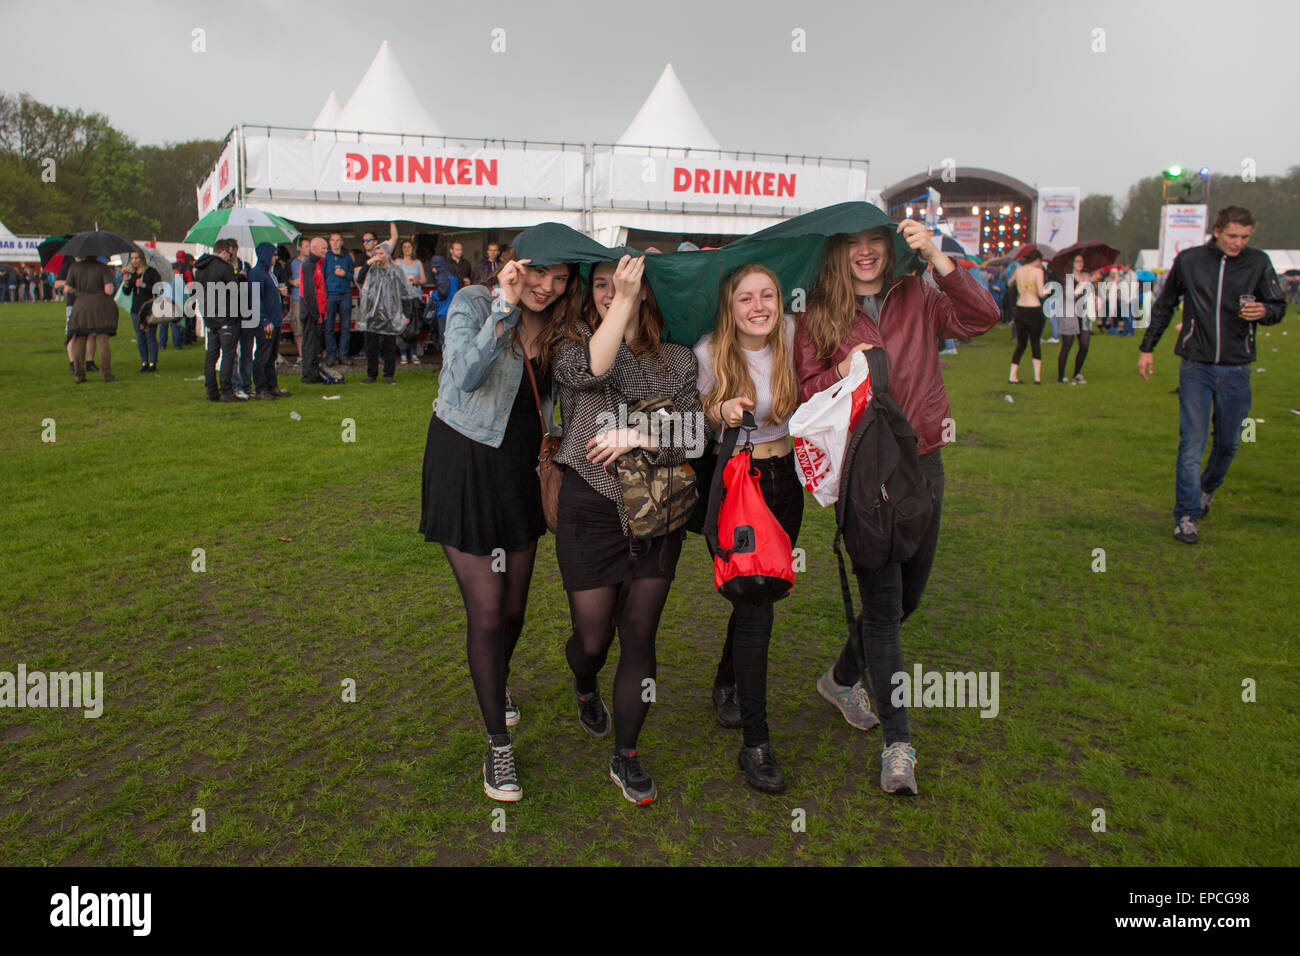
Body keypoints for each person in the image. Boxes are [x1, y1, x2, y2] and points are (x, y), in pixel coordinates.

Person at [793, 219, 999, 795]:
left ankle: (839, 678)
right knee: (882, 609)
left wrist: (937, 254)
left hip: (924, 458)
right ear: (839, 252)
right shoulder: (821, 313)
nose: (864, 252)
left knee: (909, 597)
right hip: (864, 468)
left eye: (874, 241)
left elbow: (983, 317)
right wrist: (839, 369)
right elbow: (802, 392)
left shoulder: (920, 293)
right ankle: (898, 744)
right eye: (852, 242)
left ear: (890, 246)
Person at [418, 236, 577, 803]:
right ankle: (497, 746)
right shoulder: (473, 303)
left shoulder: (563, 324)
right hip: (465, 461)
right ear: (515, 265)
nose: (548, 288)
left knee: (514, 609)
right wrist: (505, 307)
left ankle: (497, 682)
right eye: (540, 275)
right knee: (487, 611)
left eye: (560, 279)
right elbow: (463, 373)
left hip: (519, 471)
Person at [549, 253, 703, 807]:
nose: (611, 293)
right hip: (590, 507)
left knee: (639, 635)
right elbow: (592, 372)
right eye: (601, 285)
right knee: (593, 638)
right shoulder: (571, 349)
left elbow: (695, 435)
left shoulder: (679, 360)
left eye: (624, 285)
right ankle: (585, 681)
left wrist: (638, 435)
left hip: (658, 514)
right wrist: (624, 303)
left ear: (647, 291)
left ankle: (627, 754)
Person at [694, 263, 803, 793]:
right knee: (756, 605)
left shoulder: (791, 336)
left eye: (768, 295)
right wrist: (724, 408)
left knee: (760, 595)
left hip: (788, 482)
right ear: (729, 306)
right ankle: (755, 743)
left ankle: (724, 682)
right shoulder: (710, 350)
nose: (758, 306)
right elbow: (701, 414)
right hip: (742, 482)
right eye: (745, 299)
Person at [1138, 206, 1286, 545]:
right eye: (1232, 235)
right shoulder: (1189, 261)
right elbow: (1164, 306)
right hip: (1196, 365)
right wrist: (1147, 348)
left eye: (1245, 237)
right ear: (1217, 231)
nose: (1238, 243)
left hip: (1236, 368)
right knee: (1192, 441)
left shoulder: (1258, 262)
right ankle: (1186, 515)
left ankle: (1207, 488)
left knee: (1229, 442)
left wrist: (1265, 311)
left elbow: (1278, 305)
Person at [358, 240, 418, 384]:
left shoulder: (396, 270)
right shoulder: (372, 269)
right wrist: (369, 262)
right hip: (372, 313)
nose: (378, 256)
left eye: (381, 253)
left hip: (391, 313)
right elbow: (360, 278)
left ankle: (389, 374)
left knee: (389, 345)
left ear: (387, 254)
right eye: (376, 253)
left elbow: (406, 292)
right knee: (371, 345)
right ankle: (371, 374)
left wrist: (406, 314)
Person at [193, 239, 246, 402]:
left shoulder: (200, 269)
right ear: (224, 251)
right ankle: (226, 390)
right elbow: (233, 289)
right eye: (230, 253)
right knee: (228, 354)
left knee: (211, 355)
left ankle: (211, 390)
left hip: (210, 316)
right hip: (226, 315)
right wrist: (240, 278)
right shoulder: (224, 267)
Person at [64, 256, 120, 383]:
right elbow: (108, 289)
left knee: (80, 338)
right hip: (100, 307)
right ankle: (106, 374)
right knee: (102, 340)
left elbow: (67, 288)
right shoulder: (102, 268)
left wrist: (79, 290)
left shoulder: (74, 267)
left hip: (81, 306)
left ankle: (79, 374)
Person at [248, 242, 290, 400]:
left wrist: (279, 292)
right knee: (263, 355)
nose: (275, 257)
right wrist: (264, 320)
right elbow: (255, 298)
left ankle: (271, 385)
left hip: (275, 319)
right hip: (266, 321)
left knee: (271, 356)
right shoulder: (257, 273)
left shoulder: (269, 274)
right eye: (273, 254)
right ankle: (261, 388)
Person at [1009, 248, 1048, 384]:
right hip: (1033, 307)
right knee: (1035, 342)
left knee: (1021, 343)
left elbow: (1010, 283)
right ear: (1037, 260)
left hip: (1021, 307)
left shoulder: (1019, 270)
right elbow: (1041, 293)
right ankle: (1037, 377)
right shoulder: (1038, 272)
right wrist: (1050, 290)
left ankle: (1012, 376)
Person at [121, 250, 162, 373]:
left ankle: (152, 362)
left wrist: (144, 285)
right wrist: (125, 284)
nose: (134, 261)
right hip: (136, 308)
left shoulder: (151, 272)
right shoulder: (131, 274)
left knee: (150, 335)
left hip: (149, 307)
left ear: (142, 259)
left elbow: (159, 289)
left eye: (137, 258)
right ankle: (144, 361)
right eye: (132, 258)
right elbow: (127, 292)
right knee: (140, 336)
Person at [1057, 254, 1094, 384]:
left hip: (1083, 314)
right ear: (1072, 263)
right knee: (1067, 345)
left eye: (1082, 261)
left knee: (1084, 345)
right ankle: (1060, 376)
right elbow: (1069, 296)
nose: (1080, 263)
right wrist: (1082, 287)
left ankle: (1077, 373)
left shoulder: (1086, 277)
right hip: (1069, 314)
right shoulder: (1068, 277)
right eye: (1077, 261)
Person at [299, 237, 329, 384]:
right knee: (309, 344)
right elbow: (309, 292)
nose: (326, 250)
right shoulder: (308, 265)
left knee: (316, 344)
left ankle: (314, 372)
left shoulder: (317, 264)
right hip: (311, 311)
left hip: (317, 310)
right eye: (323, 248)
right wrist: (316, 313)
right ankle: (308, 375)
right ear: (314, 248)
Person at [323, 233, 354, 366]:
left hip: (345, 293)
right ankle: (331, 356)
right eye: (333, 240)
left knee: (345, 327)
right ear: (329, 243)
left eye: (338, 240)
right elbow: (322, 276)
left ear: (342, 242)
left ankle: (343, 355)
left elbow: (352, 276)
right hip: (330, 294)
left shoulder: (347, 258)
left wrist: (345, 274)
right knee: (329, 326)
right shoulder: (325, 257)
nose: (335, 243)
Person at [395, 239, 426, 365]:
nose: (407, 249)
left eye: (409, 247)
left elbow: (424, 280)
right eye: (404, 247)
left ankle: (413, 353)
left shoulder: (417, 262)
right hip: (402, 297)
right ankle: (403, 354)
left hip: (415, 297)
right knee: (403, 326)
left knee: (414, 326)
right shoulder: (398, 262)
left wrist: (415, 280)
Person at [287, 237, 308, 364]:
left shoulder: (314, 262)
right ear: (299, 248)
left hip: (310, 299)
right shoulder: (292, 263)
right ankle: (301, 354)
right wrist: (292, 282)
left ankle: (309, 352)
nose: (308, 249)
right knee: (298, 327)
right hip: (296, 298)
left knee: (309, 327)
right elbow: (285, 278)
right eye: (306, 246)